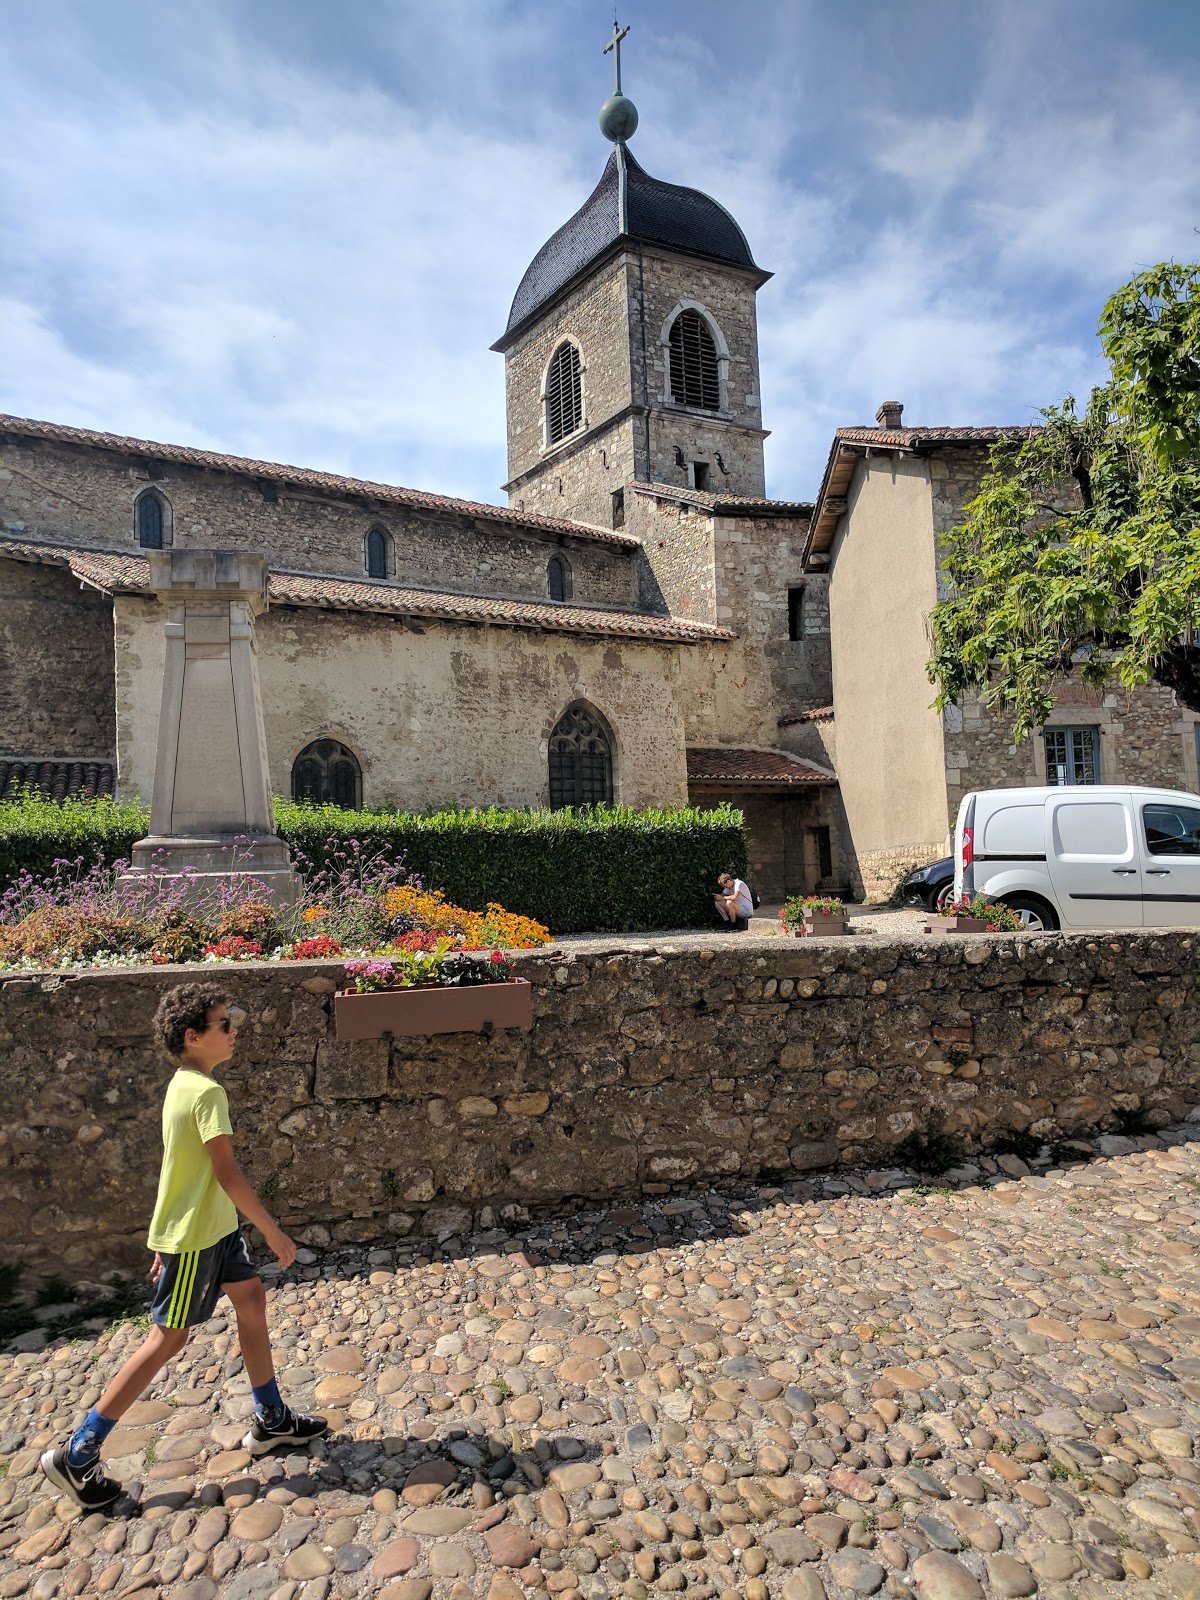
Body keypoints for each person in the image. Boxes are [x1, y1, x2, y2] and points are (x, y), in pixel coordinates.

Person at [41, 982, 328, 1511]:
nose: (232, 1031)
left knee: (251, 1300)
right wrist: (270, 1229)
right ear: (194, 1037)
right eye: (224, 1025)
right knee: (166, 1340)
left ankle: (272, 1420)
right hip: (197, 1240)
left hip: (212, 1233)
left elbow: (177, 1171)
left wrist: (163, 1238)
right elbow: (227, 1173)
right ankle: (78, 1454)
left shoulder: (182, 1084)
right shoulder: (206, 1093)